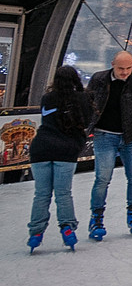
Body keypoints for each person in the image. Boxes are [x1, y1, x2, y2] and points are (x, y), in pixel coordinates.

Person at [86, 50, 132, 240]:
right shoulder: (98, 79)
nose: (125, 72)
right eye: (121, 68)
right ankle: (96, 218)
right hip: (104, 135)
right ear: (112, 65)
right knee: (102, 178)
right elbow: (87, 104)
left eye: (128, 68)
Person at [27, 65, 91, 253]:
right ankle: (67, 229)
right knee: (63, 193)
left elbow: (46, 120)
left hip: (41, 149)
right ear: (75, 79)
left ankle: (36, 233)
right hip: (66, 150)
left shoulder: (47, 98)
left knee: (41, 194)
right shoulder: (82, 99)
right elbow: (87, 122)